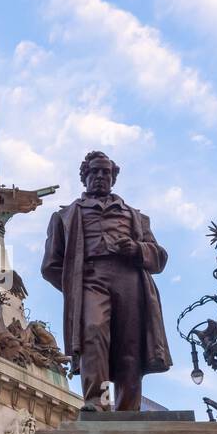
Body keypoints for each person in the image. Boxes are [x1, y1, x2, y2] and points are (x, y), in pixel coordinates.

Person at [41, 151, 172, 411]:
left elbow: (159, 257)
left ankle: (127, 410)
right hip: (91, 280)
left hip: (130, 281)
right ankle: (98, 402)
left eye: (106, 172)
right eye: (94, 172)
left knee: (130, 346)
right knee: (93, 333)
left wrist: (136, 249)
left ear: (113, 178)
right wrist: (75, 287)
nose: (100, 176)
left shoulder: (135, 216)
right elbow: (50, 265)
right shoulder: (65, 216)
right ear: (85, 177)